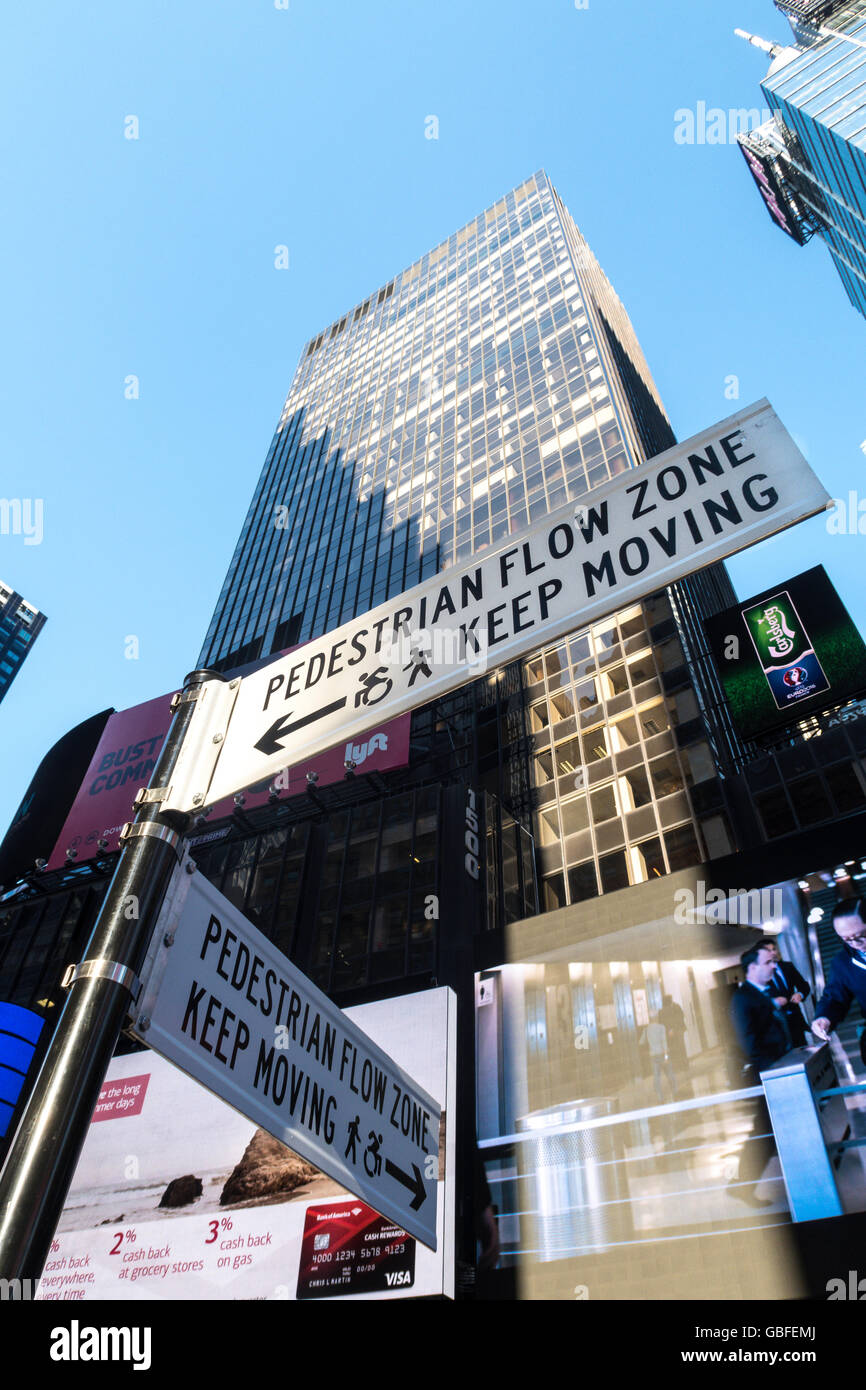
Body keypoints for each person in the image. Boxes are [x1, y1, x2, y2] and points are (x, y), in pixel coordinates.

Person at [728, 944, 793, 1207]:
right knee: (764, 1134)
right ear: (752, 968)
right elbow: (749, 1045)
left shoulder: (762, 994)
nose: (774, 966)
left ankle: (740, 1185)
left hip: (778, 1070)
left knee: (768, 1133)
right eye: (768, 962)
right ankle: (740, 1185)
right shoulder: (744, 999)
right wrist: (776, 1070)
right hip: (768, 1075)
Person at [811, 898, 866, 1065]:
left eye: (861, 936)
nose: (856, 945)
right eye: (847, 939)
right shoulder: (843, 962)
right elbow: (834, 997)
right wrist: (824, 1017)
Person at [754, 936, 811, 1047]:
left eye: (774, 949)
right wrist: (773, 1002)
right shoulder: (758, 974)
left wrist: (800, 994)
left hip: (796, 1020)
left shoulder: (787, 967)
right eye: (768, 951)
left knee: (802, 1051)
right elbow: (757, 1000)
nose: (773, 953)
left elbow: (804, 986)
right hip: (777, 1025)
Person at [640, 1013, 677, 1101]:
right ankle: (675, 1092)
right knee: (670, 1073)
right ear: (656, 1018)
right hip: (662, 1053)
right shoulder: (661, 1027)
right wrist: (666, 1056)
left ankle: (660, 1097)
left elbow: (641, 1042)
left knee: (656, 1076)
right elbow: (664, 1041)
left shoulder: (646, 1029)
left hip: (653, 1055)